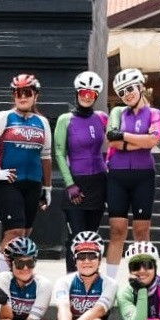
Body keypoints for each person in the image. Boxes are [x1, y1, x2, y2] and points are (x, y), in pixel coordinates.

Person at [0, 74, 53, 270]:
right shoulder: (5, 117)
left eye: (27, 92)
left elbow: (46, 157)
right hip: (8, 183)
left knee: (25, 234)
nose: (22, 97)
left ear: (36, 95)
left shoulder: (42, 122)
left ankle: (17, 276)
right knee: (13, 233)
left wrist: (48, 188)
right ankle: (2, 281)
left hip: (33, 183)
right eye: (18, 93)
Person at [103, 68, 160, 281]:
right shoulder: (119, 113)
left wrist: (124, 137)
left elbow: (153, 140)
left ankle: (145, 278)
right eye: (121, 92)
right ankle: (110, 282)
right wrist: (139, 140)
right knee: (117, 230)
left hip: (143, 176)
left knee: (141, 230)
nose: (127, 94)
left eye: (130, 89)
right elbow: (112, 141)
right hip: (117, 175)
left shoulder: (154, 113)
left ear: (140, 87)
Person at [55, 71, 109, 273]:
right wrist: (70, 184)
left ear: (96, 96)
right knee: (76, 237)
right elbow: (59, 153)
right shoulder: (65, 119)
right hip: (76, 182)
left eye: (91, 93)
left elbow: (112, 145)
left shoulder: (102, 118)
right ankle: (72, 279)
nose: (87, 96)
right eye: (83, 92)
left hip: (99, 182)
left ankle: (90, 278)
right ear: (77, 93)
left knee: (91, 237)